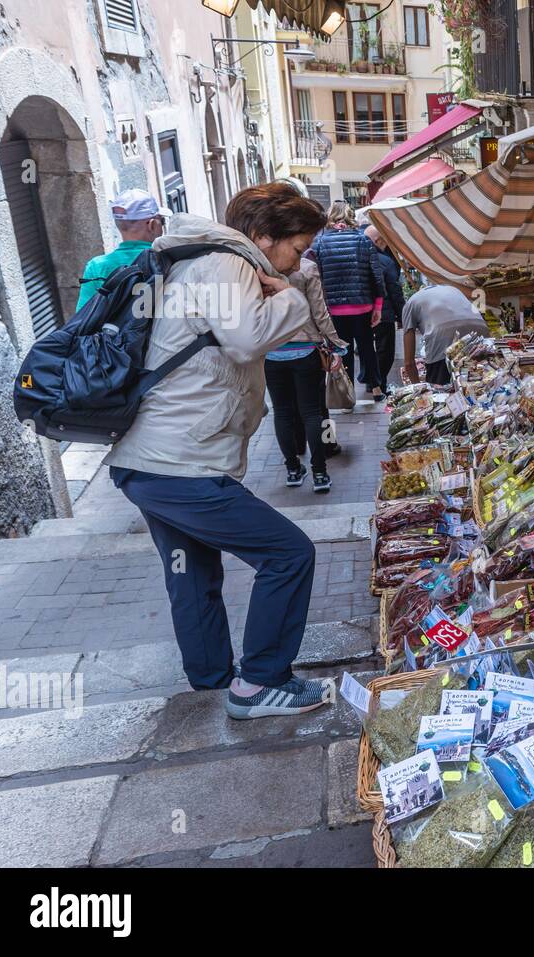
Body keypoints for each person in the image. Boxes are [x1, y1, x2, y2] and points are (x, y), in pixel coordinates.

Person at [103, 182, 333, 720]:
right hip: (180, 462)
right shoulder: (228, 263)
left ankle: (210, 680)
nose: (298, 263)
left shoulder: (194, 260)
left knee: (191, 571)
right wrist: (293, 297)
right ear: (262, 236)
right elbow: (245, 340)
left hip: (147, 461)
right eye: (296, 250)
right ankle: (258, 683)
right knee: (287, 553)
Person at [265, 255, 348, 493]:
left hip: (271, 349)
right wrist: (334, 344)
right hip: (305, 348)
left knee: (281, 411)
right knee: (313, 411)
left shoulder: (260, 267)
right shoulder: (307, 268)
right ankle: (320, 473)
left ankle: (292, 469)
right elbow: (319, 311)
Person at [311, 201, 385, 401]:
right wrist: (378, 306)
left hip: (334, 309)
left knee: (342, 350)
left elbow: (314, 277)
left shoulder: (319, 242)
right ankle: (376, 389)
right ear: (350, 216)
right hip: (362, 306)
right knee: (367, 347)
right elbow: (376, 275)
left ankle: (347, 394)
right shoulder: (363, 240)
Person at [76, 189, 170, 309]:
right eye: (161, 221)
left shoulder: (96, 267)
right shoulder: (169, 258)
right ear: (152, 225)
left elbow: (83, 314)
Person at [401, 282, 488, 385]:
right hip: (482, 331)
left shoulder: (410, 303)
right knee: (482, 385)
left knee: (441, 393)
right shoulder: (453, 289)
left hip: (443, 339)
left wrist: (418, 389)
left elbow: (409, 363)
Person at [365, 225, 405, 393]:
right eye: (384, 241)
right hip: (383, 313)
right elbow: (394, 290)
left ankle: (371, 382)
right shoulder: (385, 261)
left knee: (368, 348)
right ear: (377, 240)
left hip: (360, 311)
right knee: (385, 351)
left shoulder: (357, 257)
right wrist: (403, 315)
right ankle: (379, 384)